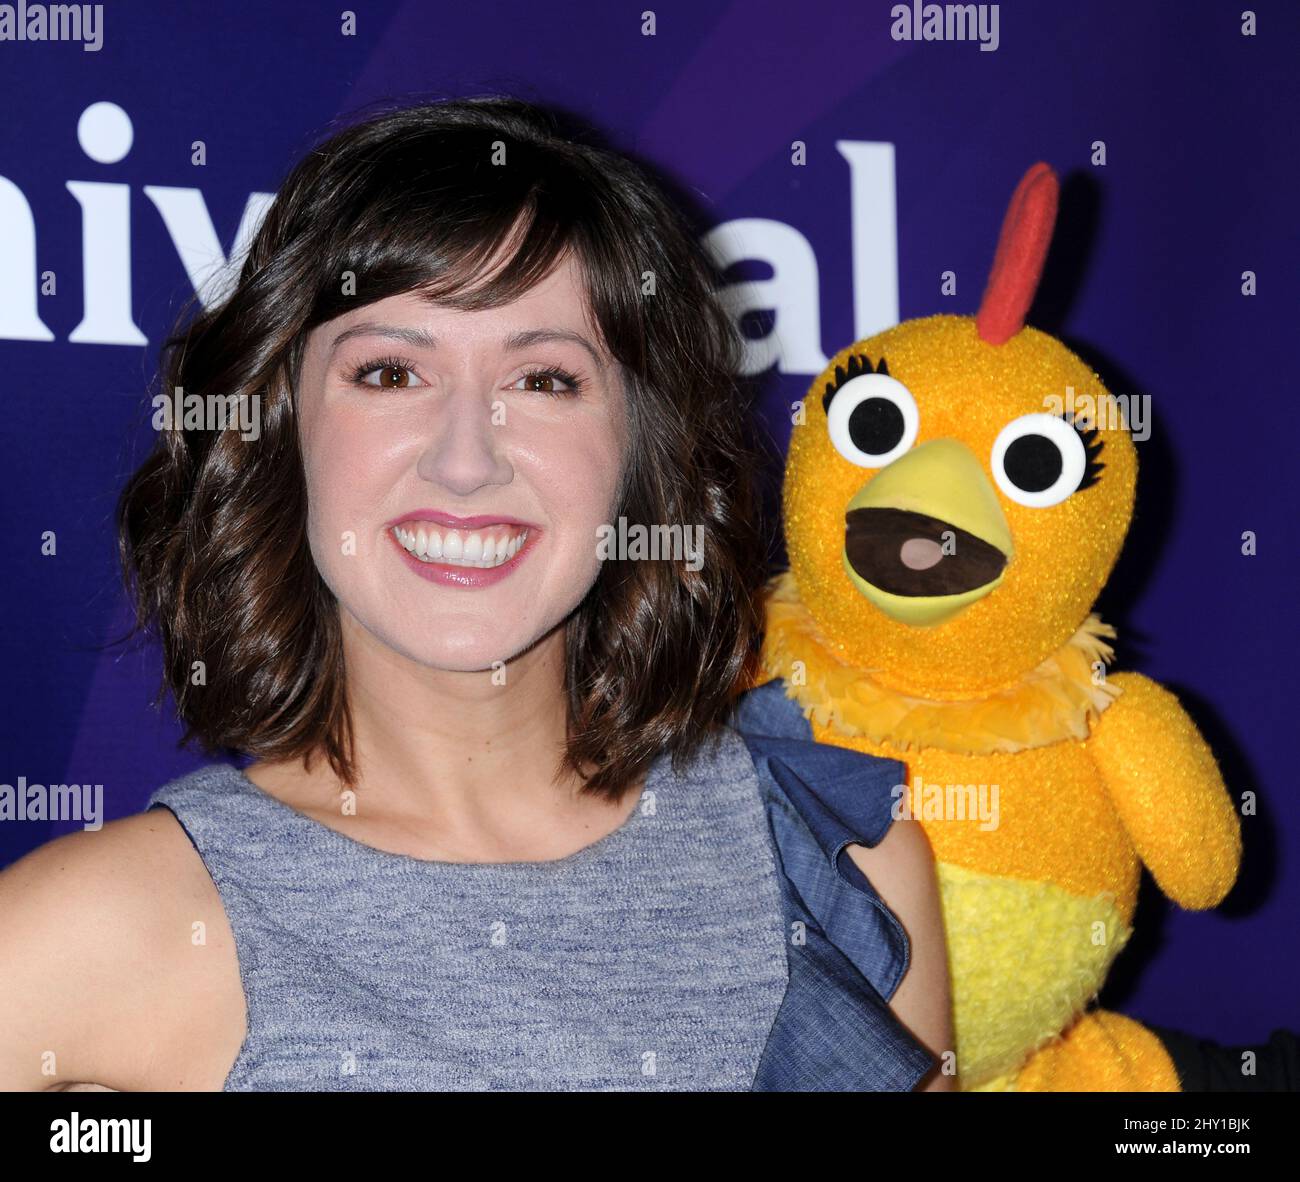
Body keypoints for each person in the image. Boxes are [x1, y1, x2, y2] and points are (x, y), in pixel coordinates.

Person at [0, 95, 953, 1092]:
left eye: (544, 381)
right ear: (280, 430)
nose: (466, 460)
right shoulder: (104, 937)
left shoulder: (839, 872)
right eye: (389, 373)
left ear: (639, 452)